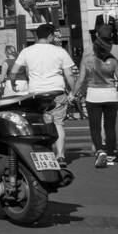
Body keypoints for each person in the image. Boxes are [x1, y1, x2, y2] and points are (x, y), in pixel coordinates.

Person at [11, 24, 76, 166]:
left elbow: (14, 71)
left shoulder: (27, 51)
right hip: (57, 92)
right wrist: (74, 91)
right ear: (50, 36)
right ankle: (60, 155)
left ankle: (41, 155)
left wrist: (13, 82)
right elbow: (69, 74)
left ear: (37, 36)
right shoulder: (60, 51)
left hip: (36, 94)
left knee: (38, 123)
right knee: (58, 123)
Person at [72, 24, 118, 168]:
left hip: (93, 95)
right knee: (110, 127)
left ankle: (100, 150)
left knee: (95, 127)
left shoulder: (88, 58)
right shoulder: (113, 60)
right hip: (111, 95)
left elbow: (81, 79)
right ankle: (111, 155)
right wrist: (114, 88)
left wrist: (73, 94)